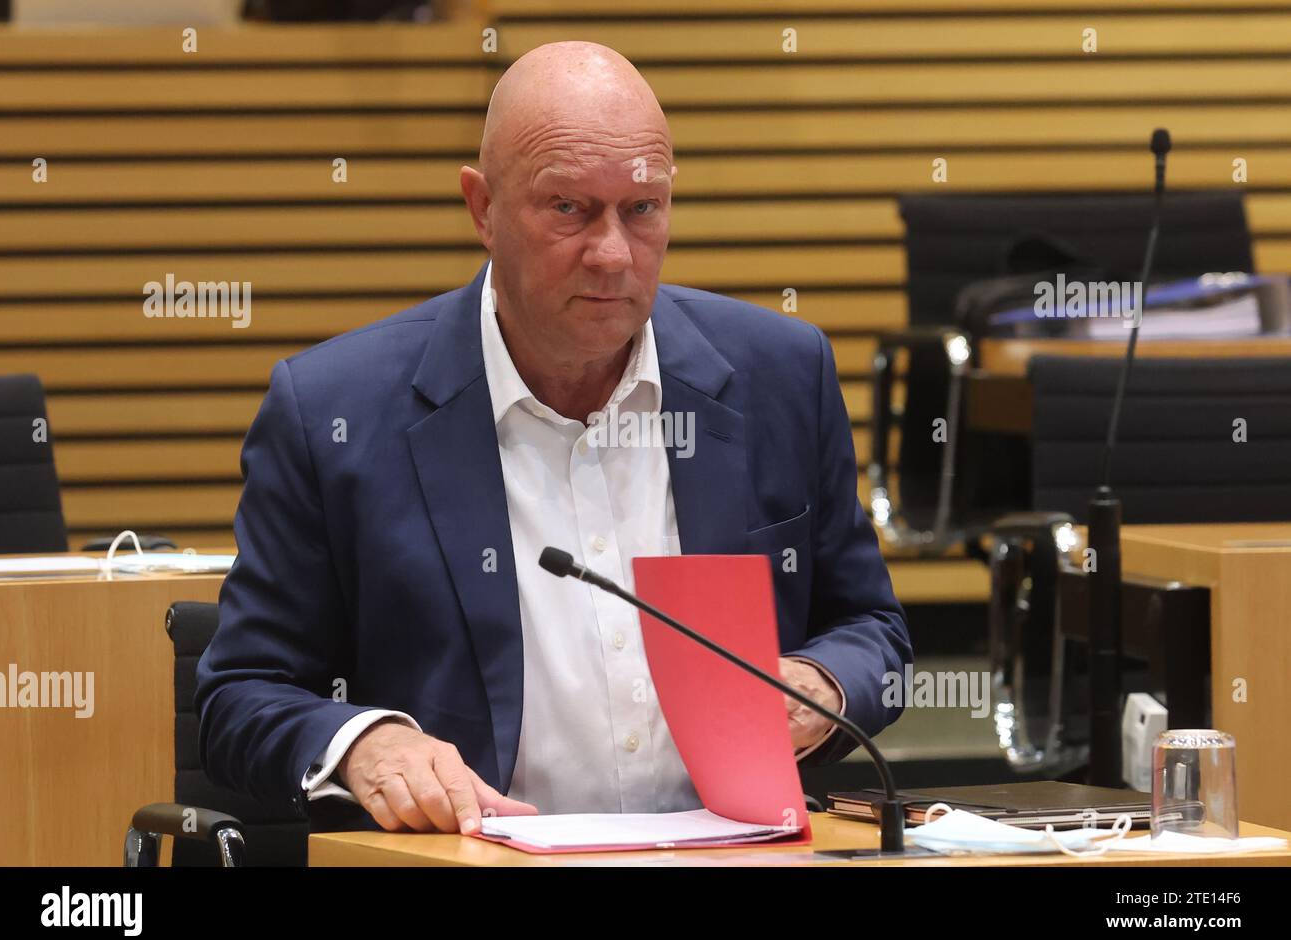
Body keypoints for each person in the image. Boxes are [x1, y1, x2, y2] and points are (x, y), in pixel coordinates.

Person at [196, 40, 912, 835]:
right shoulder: (334, 412)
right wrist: (365, 743)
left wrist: (820, 682)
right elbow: (239, 696)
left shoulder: (780, 375)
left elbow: (873, 631)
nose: (611, 254)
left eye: (642, 210)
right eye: (568, 208)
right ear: (483, 209)